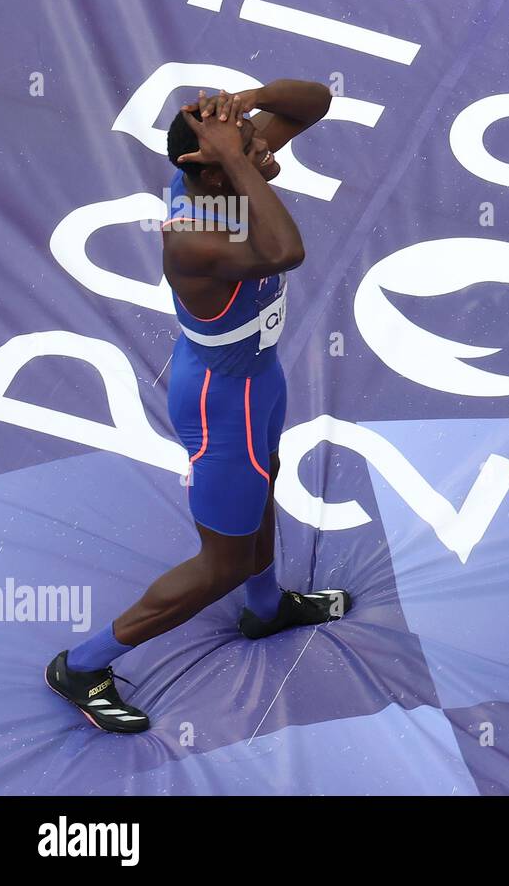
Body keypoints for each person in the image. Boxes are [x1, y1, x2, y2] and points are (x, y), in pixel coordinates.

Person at [45, 81, 350, 733]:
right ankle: (80, 666)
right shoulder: (193, 236)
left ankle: (265, 612)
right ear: (205, 166)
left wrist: (249, 102)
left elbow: (315, 102)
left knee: (263, 486)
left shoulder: (224, 175)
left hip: (257, 382)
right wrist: (244, 161)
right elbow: (287, 250)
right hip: (222, 403)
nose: (265, 154)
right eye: (247, 150)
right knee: (223, 563)